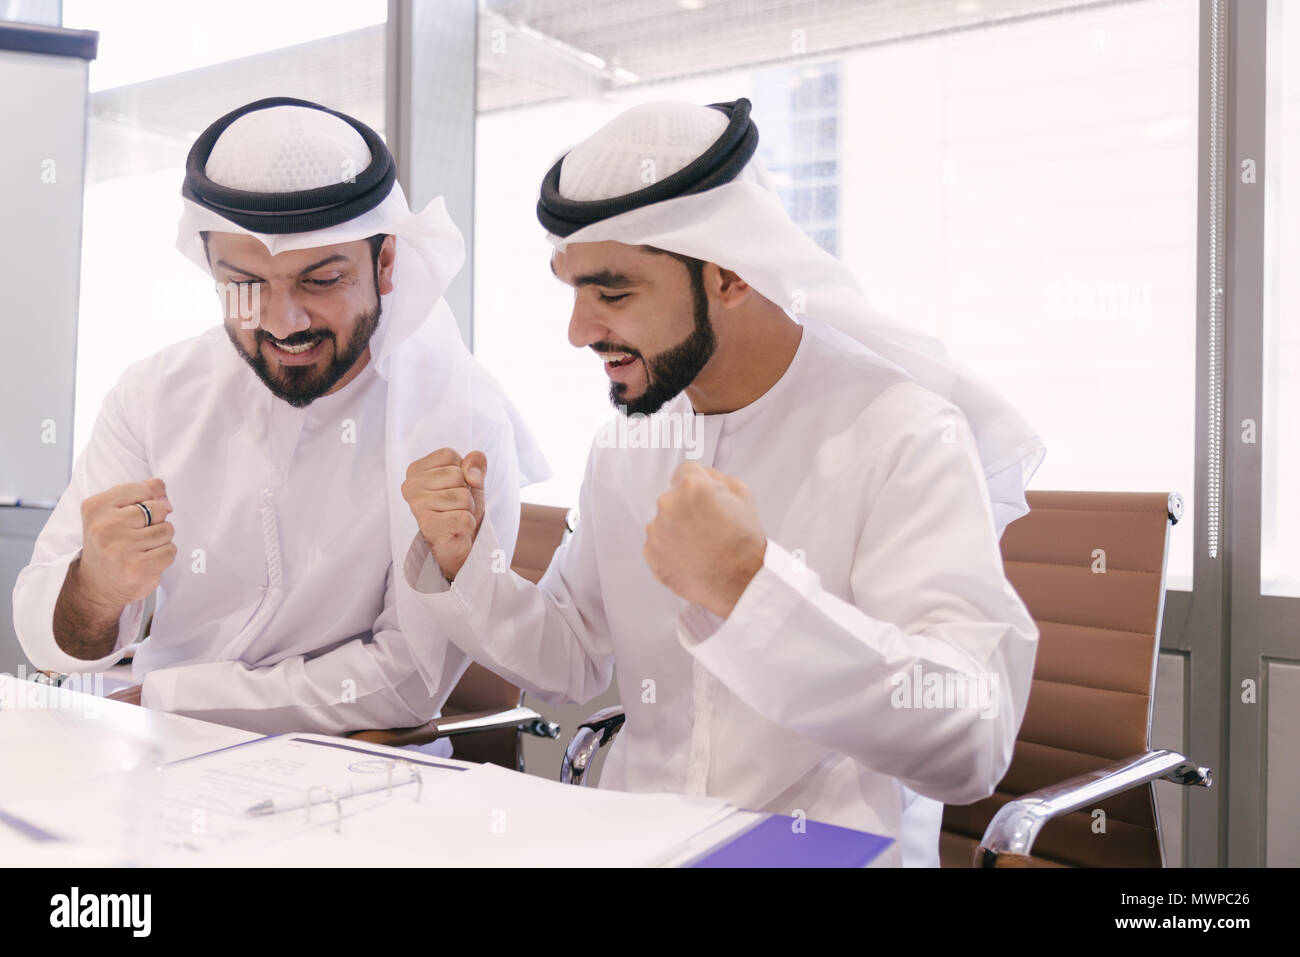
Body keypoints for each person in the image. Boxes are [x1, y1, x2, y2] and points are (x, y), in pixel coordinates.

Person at [397, 99, 1043, 865]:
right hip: (637, 841)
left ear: (730, 274)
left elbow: (973, 740)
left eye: (613, 293)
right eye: (572, 290)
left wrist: (753, 589)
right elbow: (572, 656)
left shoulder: (904, 433)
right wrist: (463, 560)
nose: (578, 330)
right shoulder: (629, 445)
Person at [12, 97, 547, 737]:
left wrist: (169, 700)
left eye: (321, 281)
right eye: (244, 284)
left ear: (386, 262)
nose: (282, 321)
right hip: (153, 755)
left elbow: (408, 681)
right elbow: (51, 640)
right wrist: (95, 589)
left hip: (359, 776)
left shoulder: (457, 413)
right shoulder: (154, 393)